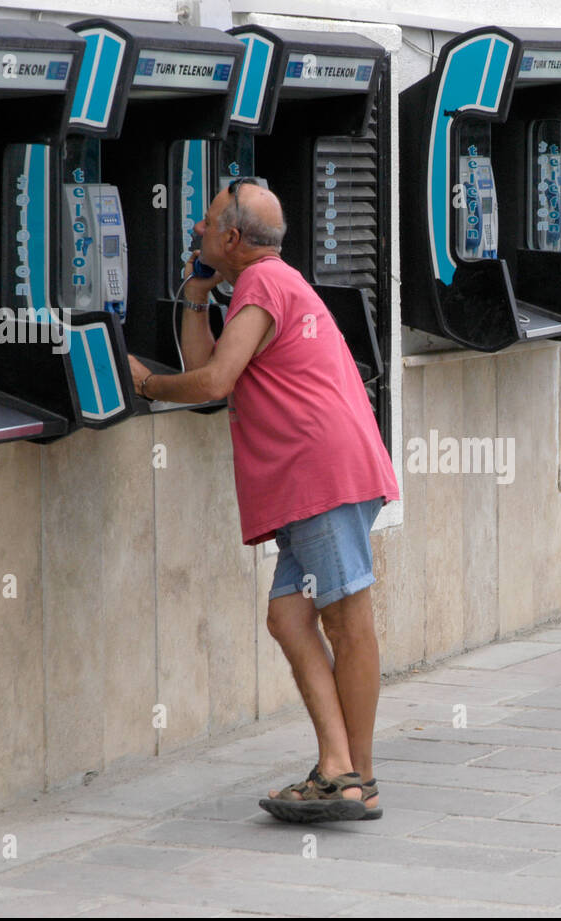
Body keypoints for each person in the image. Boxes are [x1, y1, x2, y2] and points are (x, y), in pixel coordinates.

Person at [127, 180, 399, 822]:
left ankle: (353, 777)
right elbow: (216, 376)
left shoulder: (263, 284)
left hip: (320, 472)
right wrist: (195, 295)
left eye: (207, 221)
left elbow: (212, 381)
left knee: (346, 617)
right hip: (313, 475)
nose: (194, 228)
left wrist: (145, 384)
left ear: (230, 239)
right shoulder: (265, 283)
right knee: (288, 617)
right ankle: (343, 769)